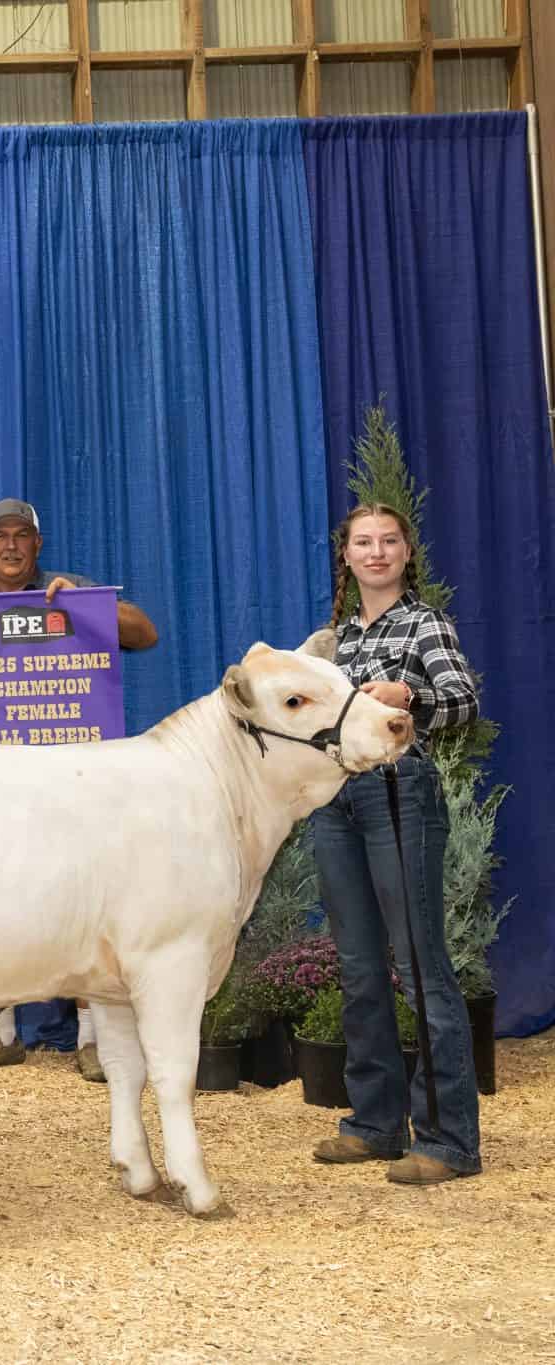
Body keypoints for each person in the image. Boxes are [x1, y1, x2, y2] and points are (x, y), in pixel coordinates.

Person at [0, 497, 158, 1082]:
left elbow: (145, 633)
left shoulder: (72, 590)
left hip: (75, 781)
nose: (10, 545)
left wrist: (84, 610)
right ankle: (1, 1029)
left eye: (21, 535)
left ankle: (89, 1036)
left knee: (84, 897)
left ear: (37, 543)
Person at [309, 503, 481, 1185]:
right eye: (362, 542)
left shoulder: (424, 623)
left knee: (417, 962)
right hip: (337, 797)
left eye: (388, 541)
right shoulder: (332, 642)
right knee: (357, 965)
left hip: (399, 791)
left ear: (407, 553)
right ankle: (375, 1123)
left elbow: (464, 697)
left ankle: (447, 1139)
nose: (376, 552)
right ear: (346, 556)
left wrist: (408, 694)